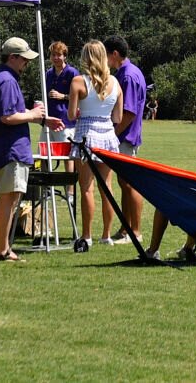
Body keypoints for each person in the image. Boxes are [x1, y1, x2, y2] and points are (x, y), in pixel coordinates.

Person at [0, 37, 63, 262]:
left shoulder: (1, 78)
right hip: (9, 150)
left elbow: (14, 112)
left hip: (4, 149)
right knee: (9, 199)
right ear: (12, 57)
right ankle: (2, 250)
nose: (26, 63)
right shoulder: (6, 80)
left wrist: (42, 120)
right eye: (24, 58)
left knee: (10, 198)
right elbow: (7, 116)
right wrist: (35, 115)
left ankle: (4, 248)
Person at [68, 39, 122, 252]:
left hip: (86, 135)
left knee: (86, 188)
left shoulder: (78, 82)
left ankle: (87, 235)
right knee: (106, 188)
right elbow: (117, 116)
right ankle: (106, 235)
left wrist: (82, 111)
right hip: (107, 134)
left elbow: (71, 115)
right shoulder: (116, 83)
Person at [105, 35, 149, 240]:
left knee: (131, 184)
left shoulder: (128, 75)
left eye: (106, 55)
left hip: (125, 137)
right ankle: (126, 229)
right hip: (125, 136)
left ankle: (136, 231)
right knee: (124, 183)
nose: (105, 60)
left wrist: (113, 134)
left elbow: (129, 112)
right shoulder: (128, 72)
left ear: (114, 54)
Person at [43, 40, 78, 146]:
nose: (56, 58)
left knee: (67, 156)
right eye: (53, 55)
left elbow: (80, 97)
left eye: (59, 55)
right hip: (49, 120)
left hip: (65, 122)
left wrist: (63, 96)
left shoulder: (72, 73)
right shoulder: (48, 73)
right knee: (43, 154)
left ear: (65, 56)